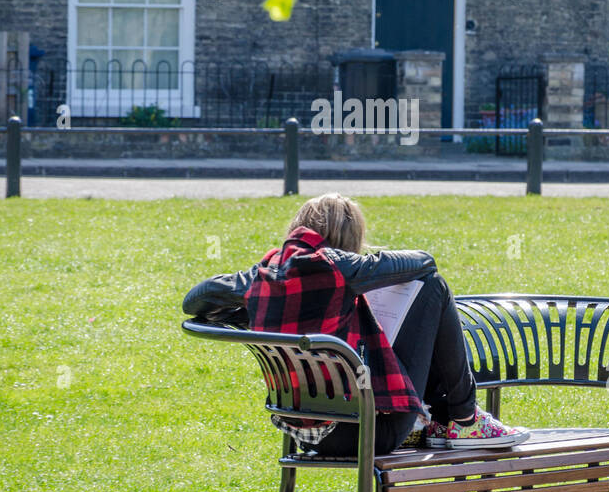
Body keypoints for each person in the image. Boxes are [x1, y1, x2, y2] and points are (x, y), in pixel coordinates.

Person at [182, 193, 528, 457]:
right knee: (434, 287)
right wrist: (363, 265)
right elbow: (425, 262)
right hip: (370, 432)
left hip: (302, 433)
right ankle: (464, 420)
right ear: (347, 240)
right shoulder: (340, 267)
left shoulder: (261, 275)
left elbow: (194, 301)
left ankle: (445, 420)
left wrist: (248, 308)